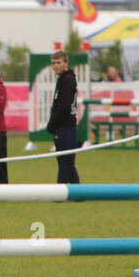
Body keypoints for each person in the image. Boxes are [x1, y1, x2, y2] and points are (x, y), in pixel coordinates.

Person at [46, 50, 80, 184]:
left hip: (65, 126)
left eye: (58, 62)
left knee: (65, 161)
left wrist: (51, 124)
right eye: (53, 63)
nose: (55, 65)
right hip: (62, 127)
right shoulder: (63, 79)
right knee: (66, 161)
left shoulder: (68, 80)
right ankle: (79, 193)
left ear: (66, 63)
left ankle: (60, 191)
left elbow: (64, 107)